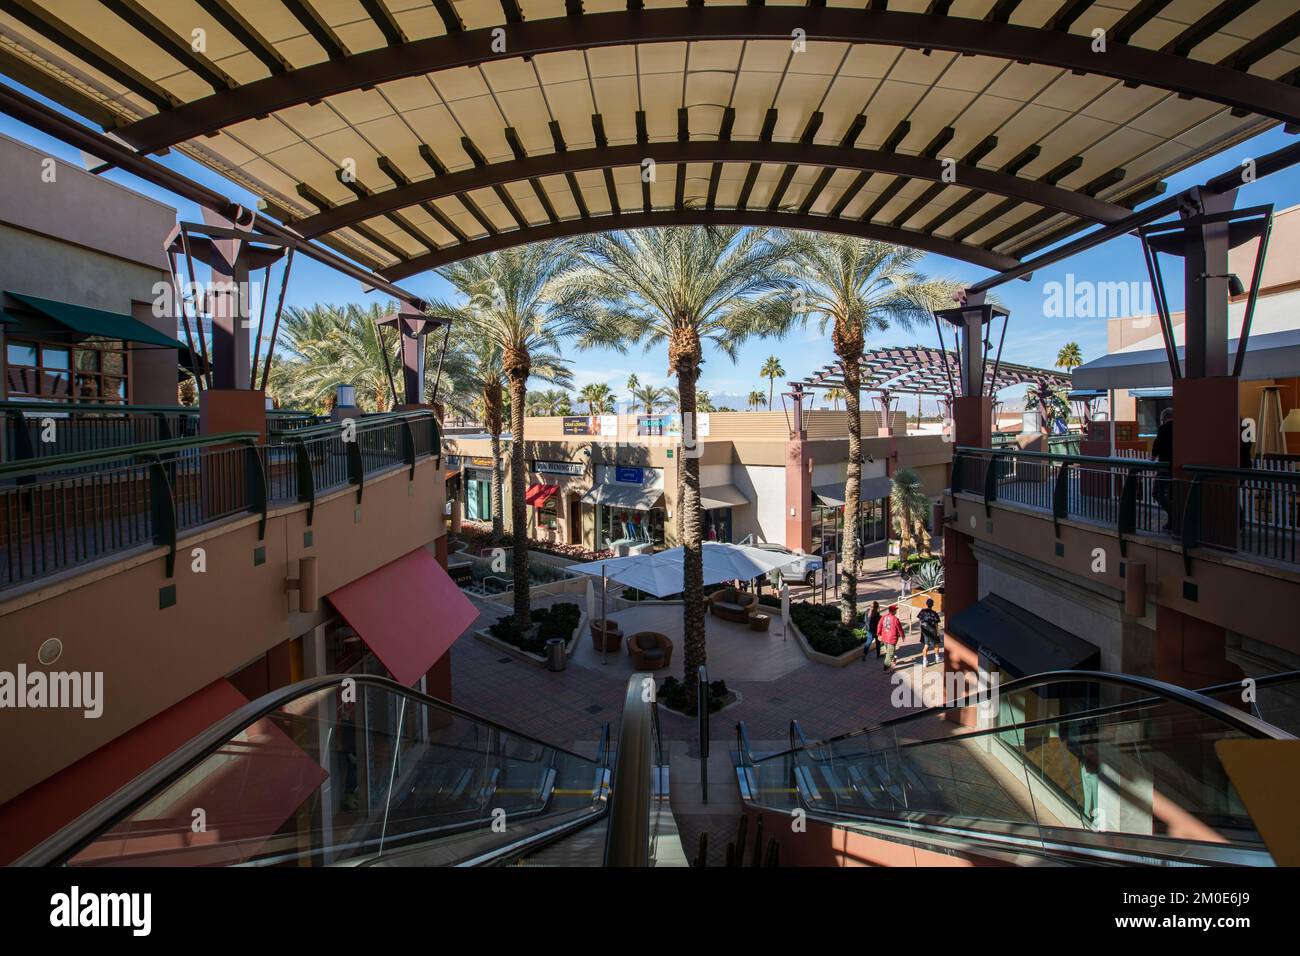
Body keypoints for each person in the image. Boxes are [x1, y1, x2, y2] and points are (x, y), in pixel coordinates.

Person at [1151, 407, 1175, 532]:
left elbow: (1157, 444)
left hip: (1165, 467)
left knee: (1158, 493)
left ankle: (1175, 517)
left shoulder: (1163, 428)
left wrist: (1153, 457)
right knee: (1172, 495)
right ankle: (1172, 521)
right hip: (1177, 468)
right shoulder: (1181, 427)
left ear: (1164, 418)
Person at [877, 603, 903, 671]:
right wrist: (902, 636)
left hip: (885, 638)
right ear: (894, 611)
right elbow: (899, 629)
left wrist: (879, 634)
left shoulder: (883, 617)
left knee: (889, 651)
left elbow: (879, 625)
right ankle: (886, 668)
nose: (896, 611)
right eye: (896, 610)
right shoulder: (895, 619)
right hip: (892, 639)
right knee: (889, 654)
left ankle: (893, 660)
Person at [917, 598, 942, 667]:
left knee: (926, 646)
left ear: (926, 604)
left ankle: (924, 661)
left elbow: (920, 621)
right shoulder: (934, 613)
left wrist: (921, 628)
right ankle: (937, 659)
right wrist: (937, 632)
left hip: (925, 631)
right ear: (932, 605)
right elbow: (936, 624)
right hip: (933, 631)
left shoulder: (922, 611)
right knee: (936, 645)